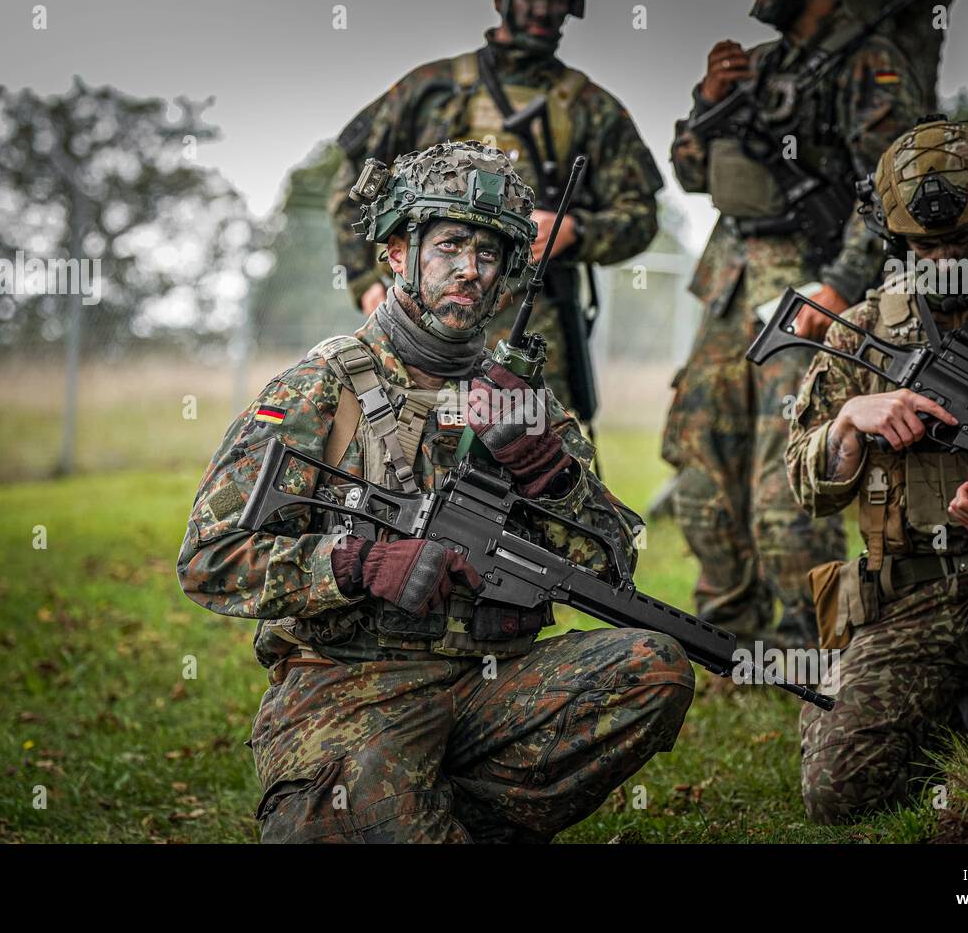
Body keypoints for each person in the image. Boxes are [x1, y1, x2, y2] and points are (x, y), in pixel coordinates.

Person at [178, 141, 693, 843]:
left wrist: (549, 470)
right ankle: (404, 805)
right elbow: (211, 557)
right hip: (351, 687)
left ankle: (456, 812)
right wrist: (355, 566)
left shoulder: (522, 403)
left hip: (491, 682)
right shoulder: (320, 387)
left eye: (489, 255)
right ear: (397, 252)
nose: (470, 272)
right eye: (450, 245)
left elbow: (611, 568)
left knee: (652, 668)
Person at [786, 117, 968, 823]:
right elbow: (801, 485)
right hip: (906, 598)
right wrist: (852, 421)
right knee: (833, 796)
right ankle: (941, 717)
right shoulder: (861, 330)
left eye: (958, 242)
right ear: (893, 240)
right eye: (923, 246)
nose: (942, 259)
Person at [662, 0, 926, 647]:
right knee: (698, 463)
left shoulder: (871, 62)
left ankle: (808, 638)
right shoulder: (760, 66)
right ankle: (727, 630)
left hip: (810, 293)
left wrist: (838, 288)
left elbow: (895, 186)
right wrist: (708, 103)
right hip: (730, 289)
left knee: (791, 470)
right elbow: (695, 172)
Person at [328, 0, 663, 415]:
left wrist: (576, 232)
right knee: (396, 439)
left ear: (573, 6)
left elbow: (640, 215)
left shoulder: (591, 109)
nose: (543, 10)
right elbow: (352, 185)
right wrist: (365, 283)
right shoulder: (431, 90)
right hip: (421, 319)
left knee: (530, 457)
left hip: (532, 325)